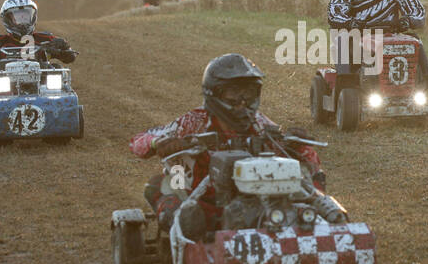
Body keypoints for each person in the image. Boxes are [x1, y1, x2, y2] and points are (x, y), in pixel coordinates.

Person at [128, 54, 325, 239]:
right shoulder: (192, 121)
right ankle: (183, 230)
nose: (242, 102)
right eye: (234, 93)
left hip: (250, 197)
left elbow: (287, 146)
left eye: (248, 93)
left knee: (304, 160)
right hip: (199, 197)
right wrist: (158, 143)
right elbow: (138, 140)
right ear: (214, 93)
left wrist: (293, 143)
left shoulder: (258, 122)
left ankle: (319, 206)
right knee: (161, 186)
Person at [0, 0, 76, 117]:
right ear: (7, 19)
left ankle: (62, 113)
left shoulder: (45, 38)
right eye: (18, 17)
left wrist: (61, 47)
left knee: (57, 72)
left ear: (33, 17)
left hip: (41, 80)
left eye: (25, 16)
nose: (22, 22)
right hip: (3, 82)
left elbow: (71, 55)